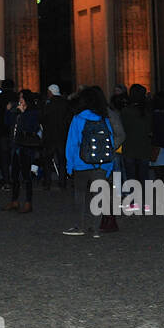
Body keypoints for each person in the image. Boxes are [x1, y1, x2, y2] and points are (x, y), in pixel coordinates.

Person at [62, 86, 116, 238]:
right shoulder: (104, 118)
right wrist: (109, 165)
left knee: (80, 194)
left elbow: (71, 143)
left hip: (81, 162)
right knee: (97, 195)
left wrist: (69, 165)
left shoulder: (78, 118)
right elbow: (110, 141)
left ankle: (80, 226)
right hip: (101, 163)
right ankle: (96, 229)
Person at [4, 90, 41, 213]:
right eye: (19, 97)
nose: (20, 100)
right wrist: (9, 111)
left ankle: (28, 202)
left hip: (26, 146)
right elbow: (8, 123)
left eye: (22, 98)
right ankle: (14, 201)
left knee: (26, 175)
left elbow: (31, 127)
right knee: (14, 175)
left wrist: (23, 113)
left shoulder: (32, 112)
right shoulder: (17, 110)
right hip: (15, 146)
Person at [119, 85, 153, 208]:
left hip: (130, 146)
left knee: (131, 176)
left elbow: (122, 129)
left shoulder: (126, 111)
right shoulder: (147, 111)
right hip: (144, 146)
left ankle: (133, 201)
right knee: (144, 175)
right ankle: (146, 201)